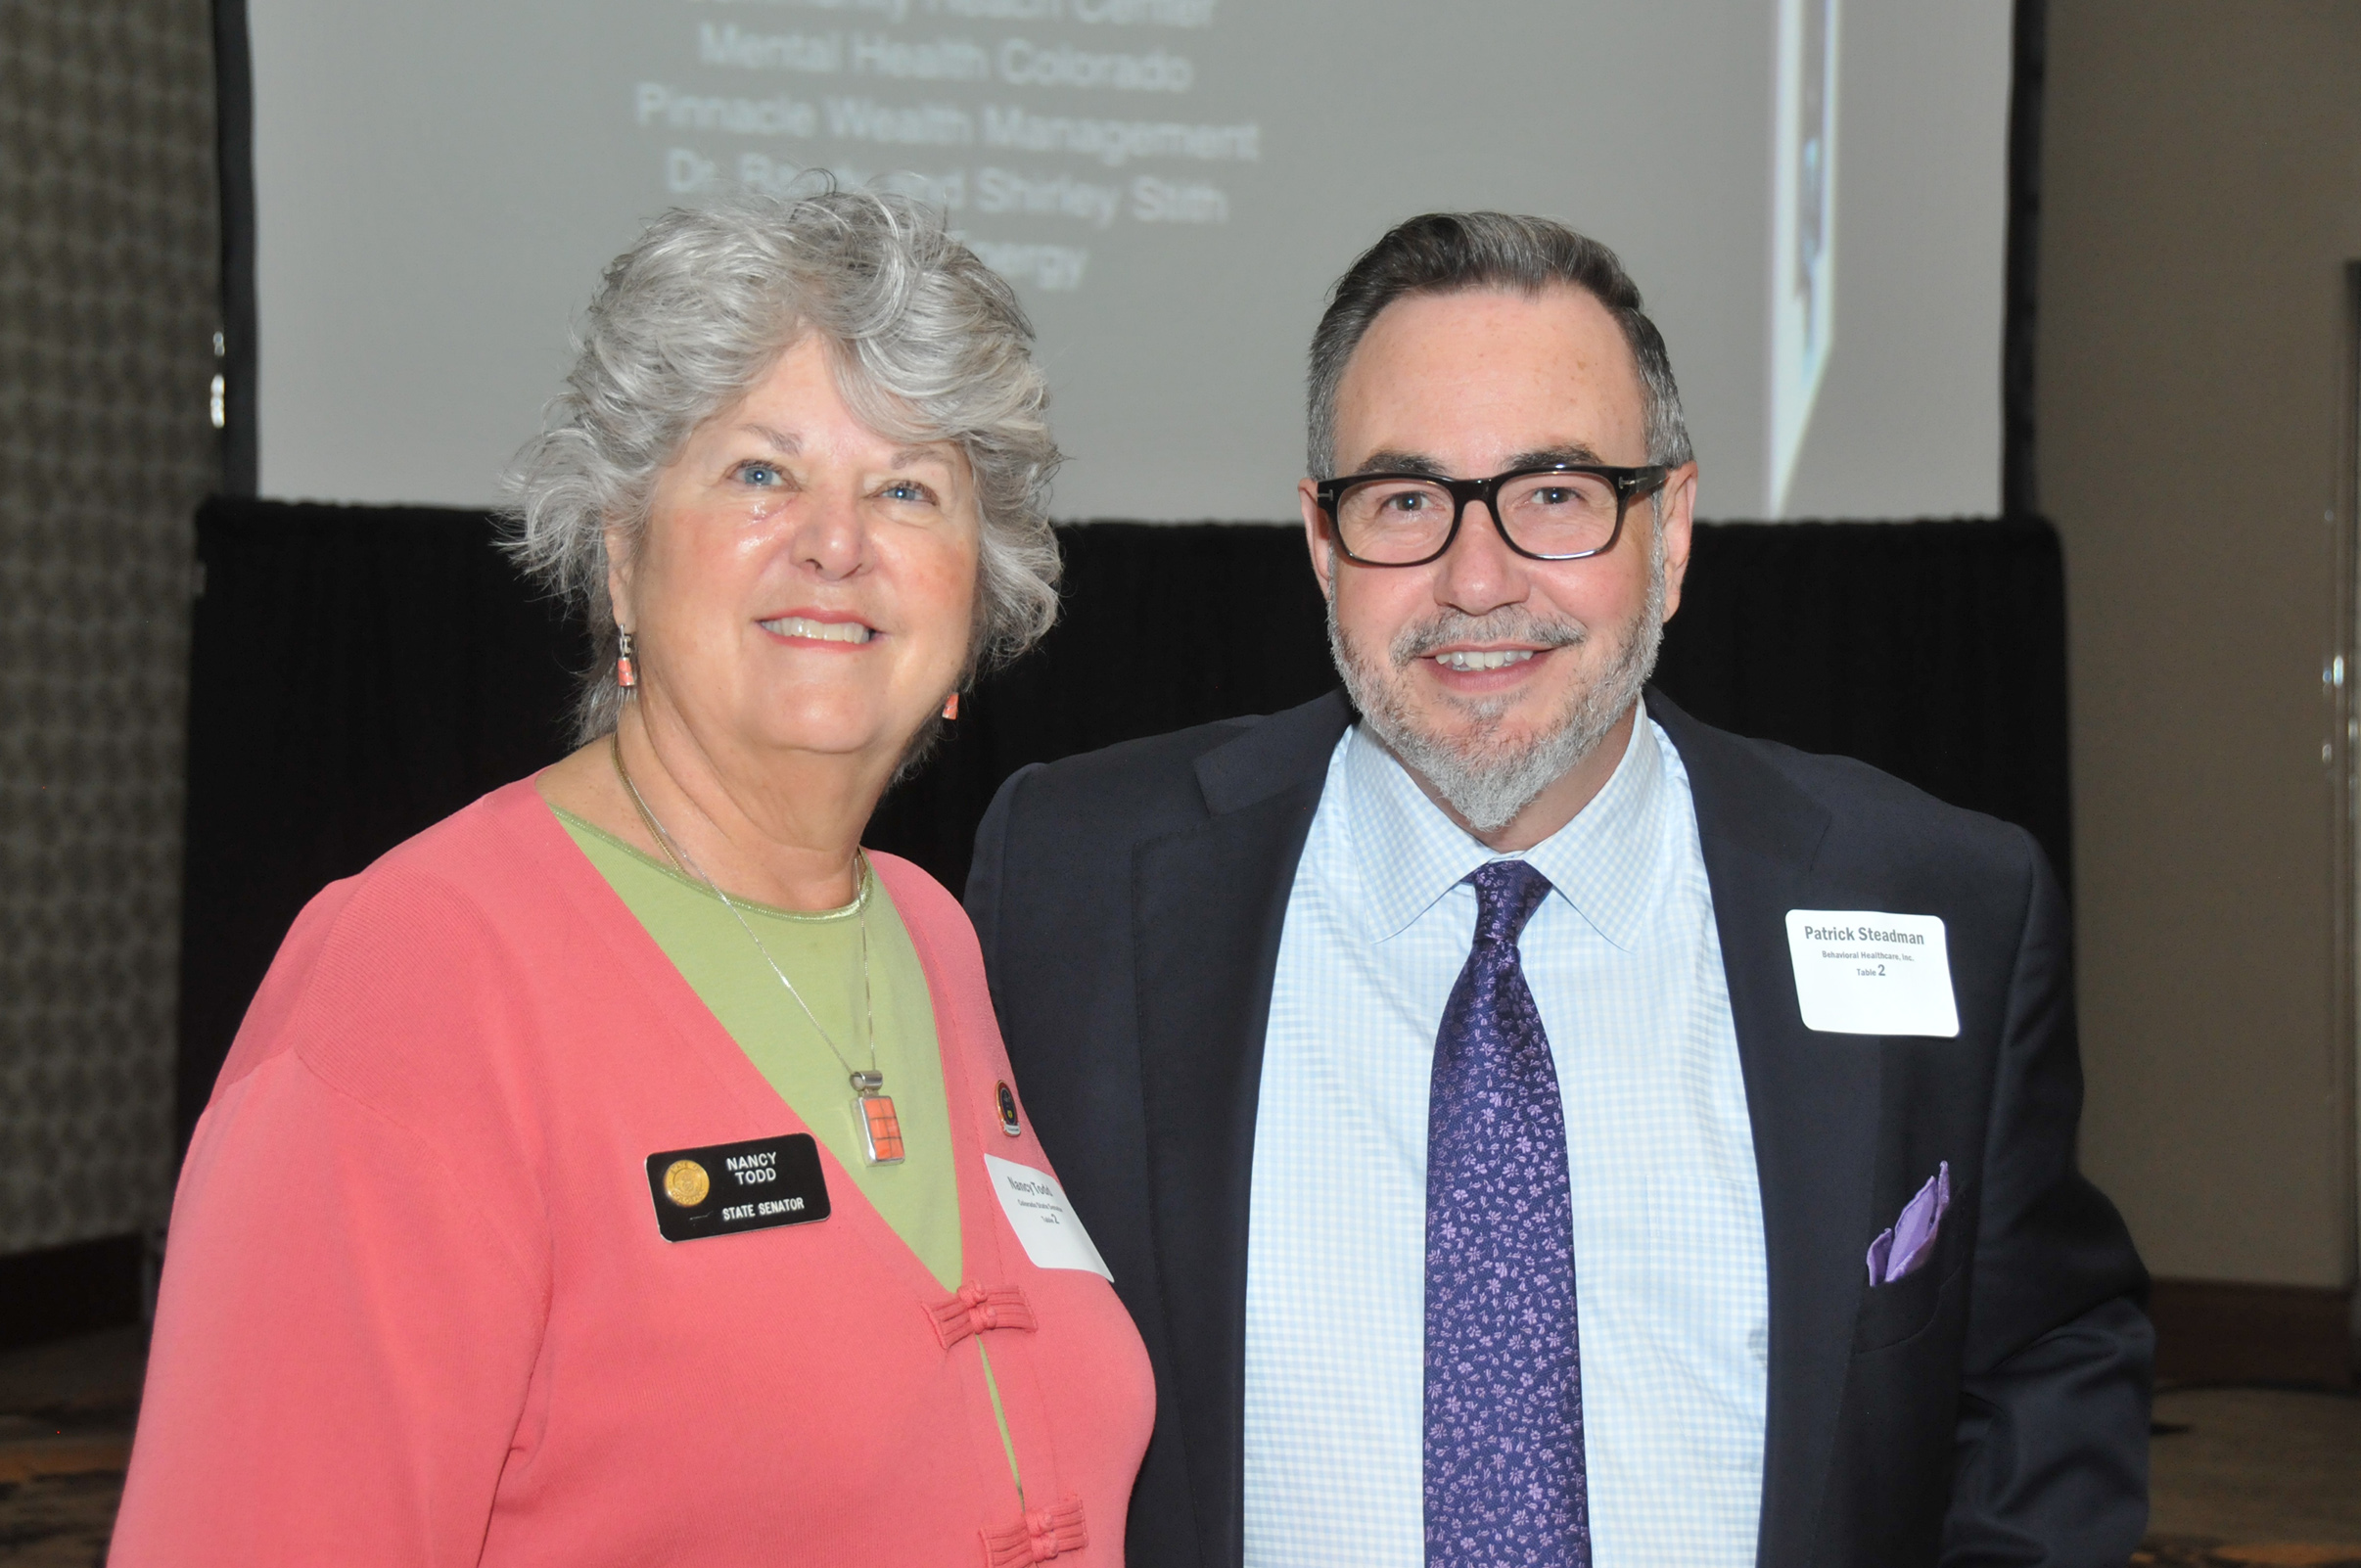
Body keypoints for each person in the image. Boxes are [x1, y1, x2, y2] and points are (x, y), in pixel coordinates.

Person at [964, 212, 2151, 1567]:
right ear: (1320, 541)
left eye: (1556, 494)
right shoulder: (1076, 885)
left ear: (1674, 527)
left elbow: (2045, 1361)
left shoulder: (1940, 902)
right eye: (1406, 500)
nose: (1479, 580)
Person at [114, 188, 1152, 1565]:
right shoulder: (415, 979)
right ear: (620, 554)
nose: (837, 544)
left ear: (981, 587)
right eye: (761, 473)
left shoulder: (932, 933)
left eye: (909, 487)